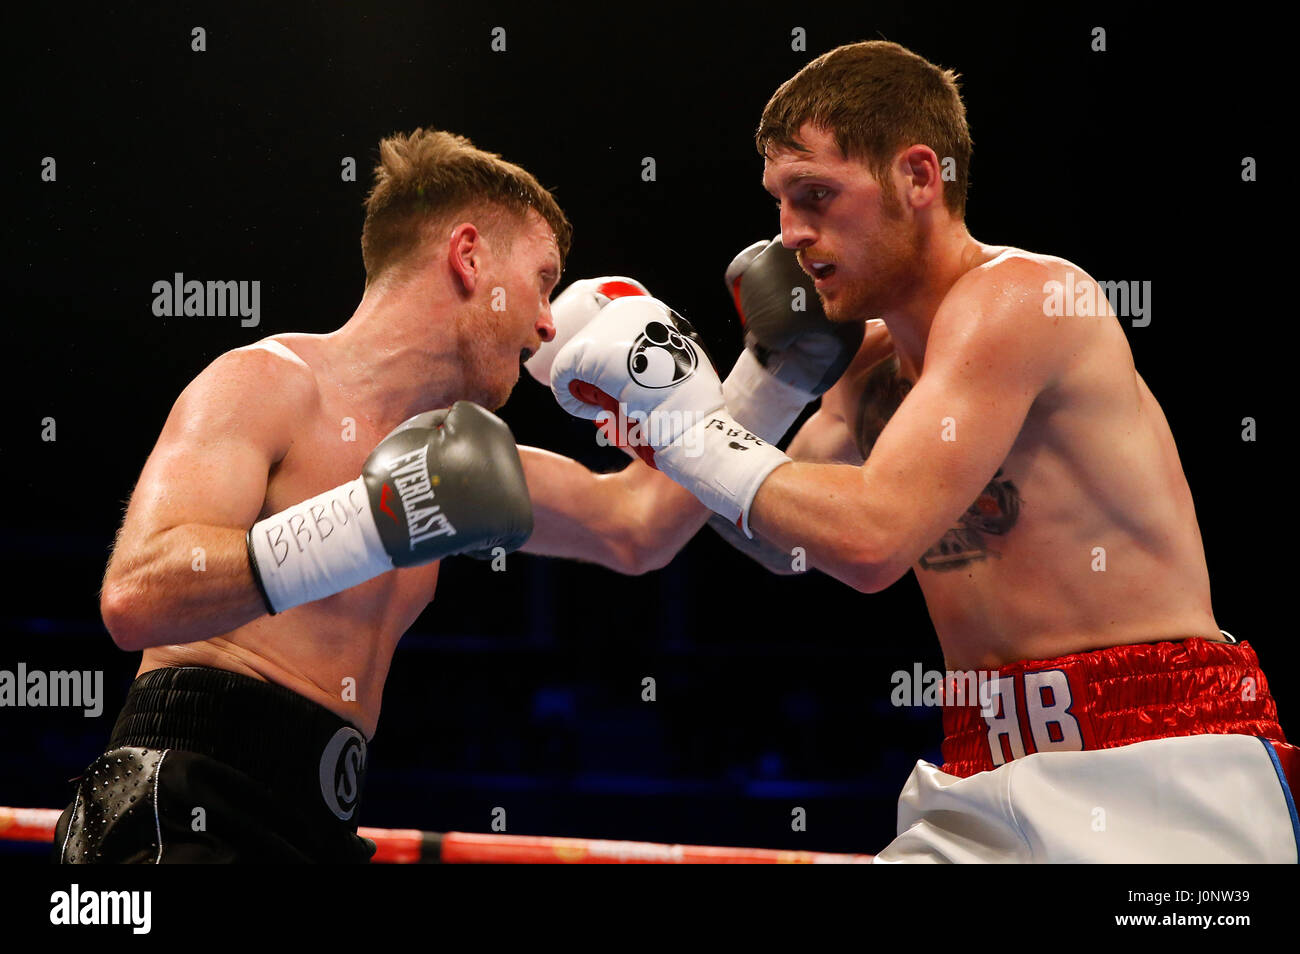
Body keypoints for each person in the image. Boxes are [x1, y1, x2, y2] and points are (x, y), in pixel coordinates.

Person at [547, 41, 1298, 862]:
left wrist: (688, 422)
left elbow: (872, 541)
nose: (791, 233)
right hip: (983, 761)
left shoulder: (1022, 299)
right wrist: (707, 413)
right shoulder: (863, 369)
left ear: (918, 176)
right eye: (780, 204)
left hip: (1162, 760)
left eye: (817, 195)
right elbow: (780, 540)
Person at [54, 127, 708, 863]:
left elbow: (635, 528)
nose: (549, 323)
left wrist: (773, 377)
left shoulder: (459, 459)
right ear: (469, 257)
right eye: (543, 280)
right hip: (183, 799)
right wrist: (373, 522)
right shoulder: (268, 382)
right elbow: (137, 595)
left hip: (318, 819)